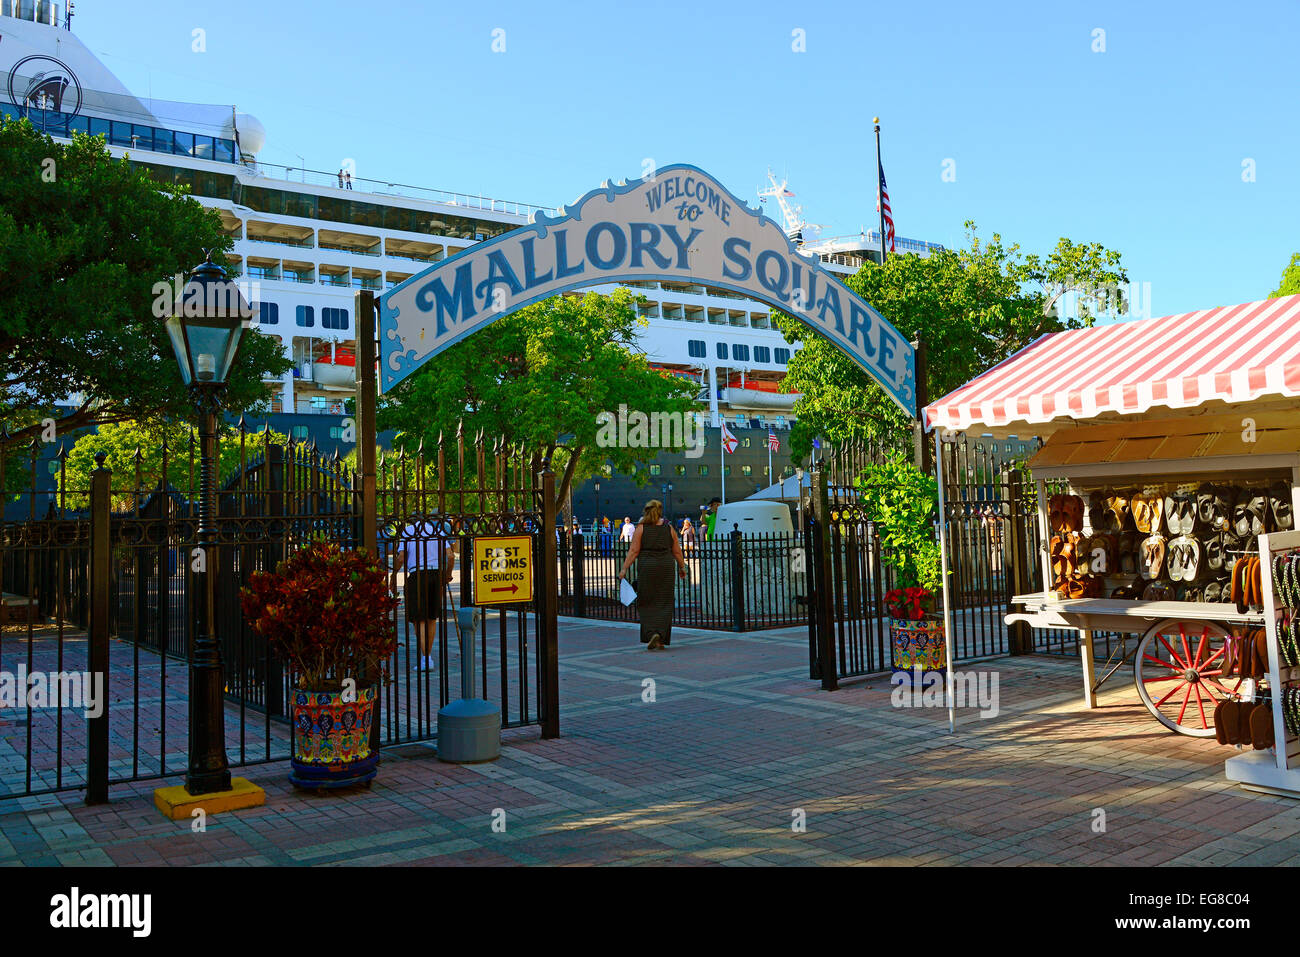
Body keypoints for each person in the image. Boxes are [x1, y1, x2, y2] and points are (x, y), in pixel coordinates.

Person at [618, 499, 688, 650]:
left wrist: (624, 569)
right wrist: (682, 567)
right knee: (664, 601)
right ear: (660, 511)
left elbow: (634, 551)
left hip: (647, 567)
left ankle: (651, 633)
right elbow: (676, 550)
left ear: (646, 511)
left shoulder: (641, 528)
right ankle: (661, 637)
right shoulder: (668, 528)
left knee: (647, 600)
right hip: (666, 566)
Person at [395, 516, 455, 669]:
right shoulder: (438, 531)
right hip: (435, 575)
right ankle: (427, 656)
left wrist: (393, 574)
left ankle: (426, 658)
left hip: (417, 576)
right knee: (431, 617)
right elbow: (450, 556)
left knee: (419, 618)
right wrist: (447, 574)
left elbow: (401, 558)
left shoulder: (408, 532)